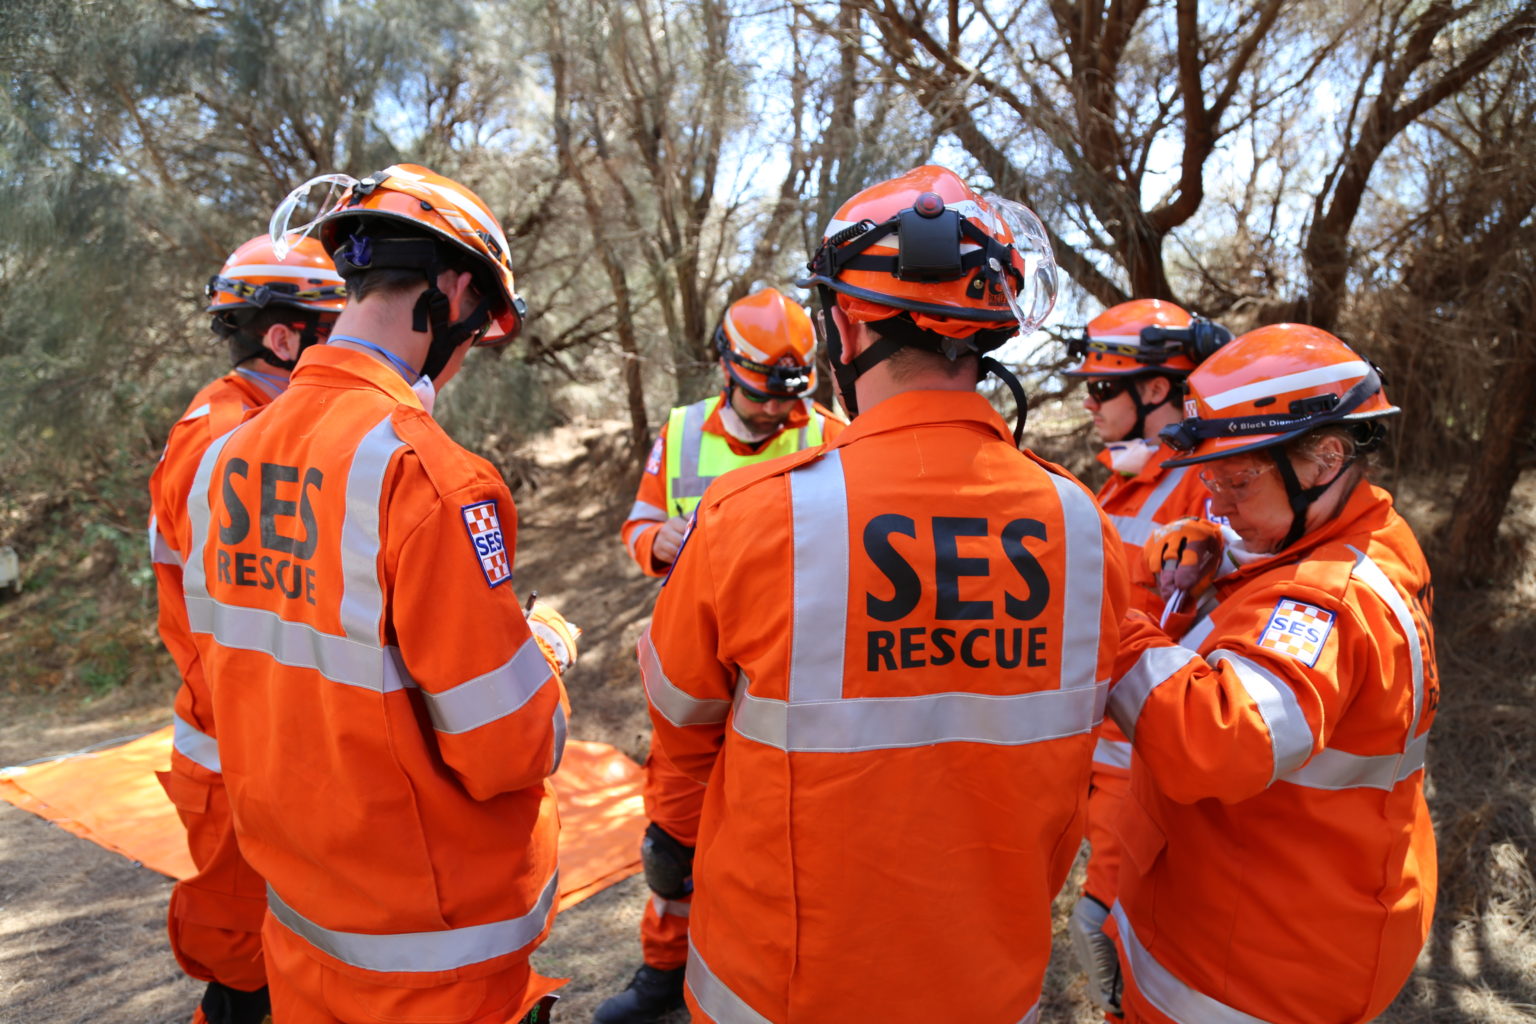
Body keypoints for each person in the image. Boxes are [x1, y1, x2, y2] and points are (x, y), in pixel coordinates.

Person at [638, 165, 1140, 1021]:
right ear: (986, 331)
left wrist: (668, 888)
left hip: (779, 991)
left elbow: (682, 735)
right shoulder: (1086, 529)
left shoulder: (754, 516)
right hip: (989, 987)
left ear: (843, 322)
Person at [176, 163, 576, 1024]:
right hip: (429, 953)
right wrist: (541, 650)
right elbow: (505, 743)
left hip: (303, 917)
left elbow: (240, 663)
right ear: (456, 293)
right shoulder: (427, 475)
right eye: (473, 335)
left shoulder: (219, 463)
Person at [1104, 323, 1438, 1022]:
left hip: (1255, 975)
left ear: (1325, 458)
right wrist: (1221, 562)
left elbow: (1218, 740)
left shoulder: (1330, 599)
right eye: (1209, 479)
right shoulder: (1341, 538)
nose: (1216, 504)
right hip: (1244, 928)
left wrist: (1112, 624)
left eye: (1236, 479)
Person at [600, 287, 844, 1023]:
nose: (778, 412)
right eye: (764, 395)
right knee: (672, 843)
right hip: (690, 674)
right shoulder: (678, 433)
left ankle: (777, 979)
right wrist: (655, 543)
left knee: (788, 845)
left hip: (791, 682)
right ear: (725, 367)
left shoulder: (830, 436)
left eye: (788, 397)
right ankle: (664, 971)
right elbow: (638, 522)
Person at [149, 232, 344, 1024]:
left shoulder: (256, 422)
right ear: (283, 335)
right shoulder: (225, 437)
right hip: (237, 750)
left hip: (263, 742)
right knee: (244, 970)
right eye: (338, 330)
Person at [1059, 299, 1232, 1014]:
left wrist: (1218, 547)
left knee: (1108, 936)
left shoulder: (1212, 483)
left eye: (1103, 388)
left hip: (1147, 771)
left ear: (1156, 389)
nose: (1090, 402)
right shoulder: (1125, 479)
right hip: (1098, 763)